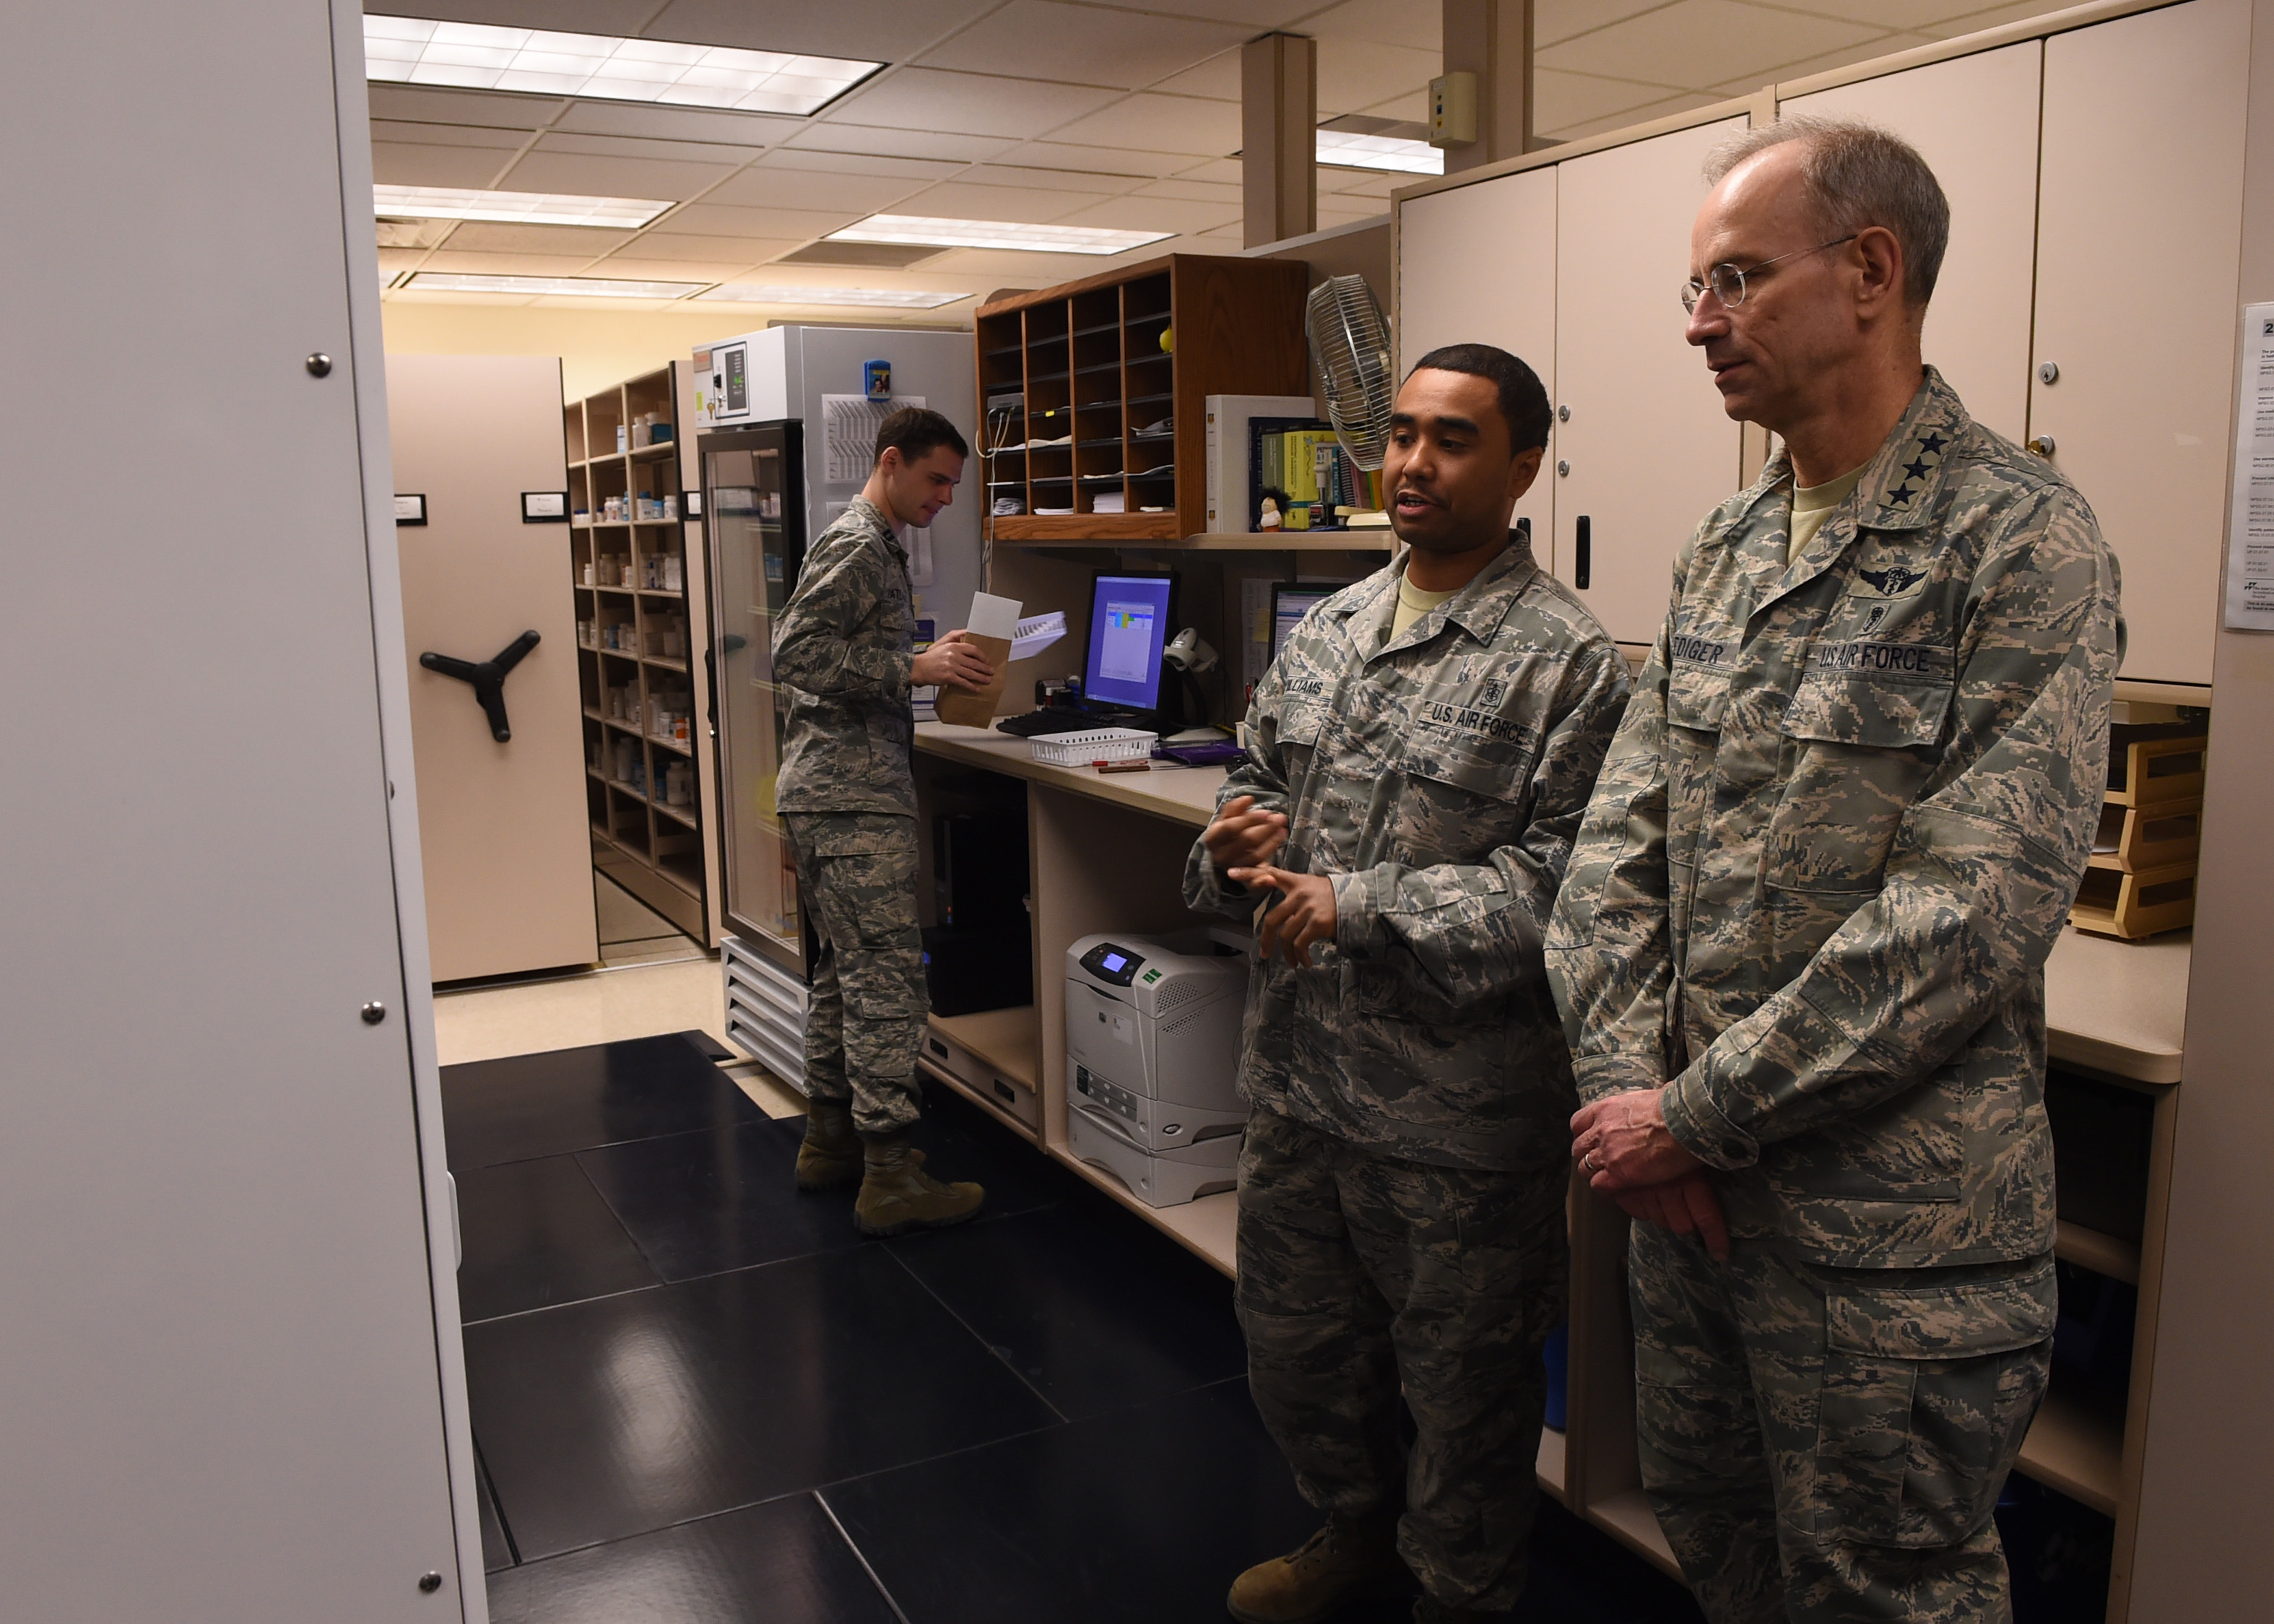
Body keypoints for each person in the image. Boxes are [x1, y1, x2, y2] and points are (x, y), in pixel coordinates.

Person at [1545, 118, 2122, 1624]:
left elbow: (1963, 912)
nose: (1694, 322)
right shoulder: (1722, 547)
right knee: (1720, 1552)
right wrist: (1627, 1105)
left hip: (1884, 1253)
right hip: (1690, 1219)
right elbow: (1618, 844)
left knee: (1884, 1591)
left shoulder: (2014, 540)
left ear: (1868, 271)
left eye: (1731, 279)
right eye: (1694, 285)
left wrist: (1688, 1112)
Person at [1187, 346, 1631, 1624]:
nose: (1411, 464)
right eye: (1397, 436)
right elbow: (1255, 782)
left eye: (1449, 439)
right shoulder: (1328, 626)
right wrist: (1228, 847)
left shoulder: (1569, 664)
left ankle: (1457, 1590)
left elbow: (1567, 890)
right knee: (1297, 1353)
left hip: (1454, 1127)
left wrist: (1360, 902)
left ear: (1522, 465)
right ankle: (1352, 1531)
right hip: (1298, 1088)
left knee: (1466, 1395)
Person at [771, 406, 999, 1236]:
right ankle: (891, 1175)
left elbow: (837, 655)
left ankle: (831, 1141)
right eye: (935, 479)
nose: (944, 497)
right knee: (887, 981)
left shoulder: (873, 544)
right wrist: (911, 666)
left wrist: (936, 672)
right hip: (848, 798)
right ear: (892, 460)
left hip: (833, 793)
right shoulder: (857, 543)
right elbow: (793, 652)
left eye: (952, 484)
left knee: (842, 975)